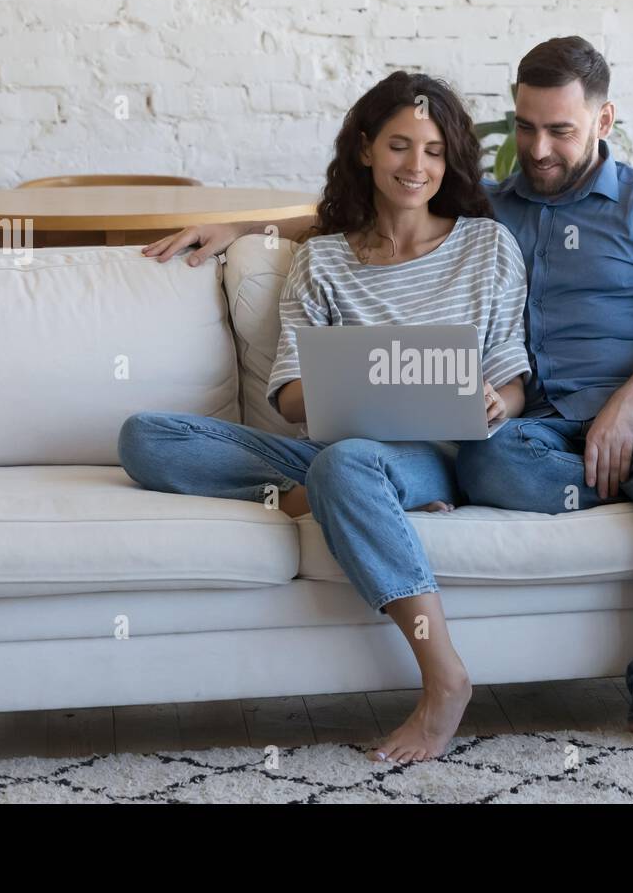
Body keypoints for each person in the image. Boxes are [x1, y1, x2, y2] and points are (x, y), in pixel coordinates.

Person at [140, 39, 633, 764]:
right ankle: (319, 487)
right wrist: (244, 229)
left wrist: (626, 409)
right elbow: (373, 208)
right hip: (528, 434)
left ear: (605, 120)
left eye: (560, 130)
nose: (537, 149)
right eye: (526, 127)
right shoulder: (493, 210)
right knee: (480, 468)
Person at [120, 71, 531, 763]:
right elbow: (287, 395)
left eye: (433, 151)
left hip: (434, 454)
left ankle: (444, 680)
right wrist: (358, 379)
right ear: (366, 148)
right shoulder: (323, 259)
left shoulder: (487, 248)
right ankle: (319, 498)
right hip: (331, 448)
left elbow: (513, 379)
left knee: (349, 463)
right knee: (147, 438)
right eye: (401, 146)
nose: (417, 166)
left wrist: (497, 400)